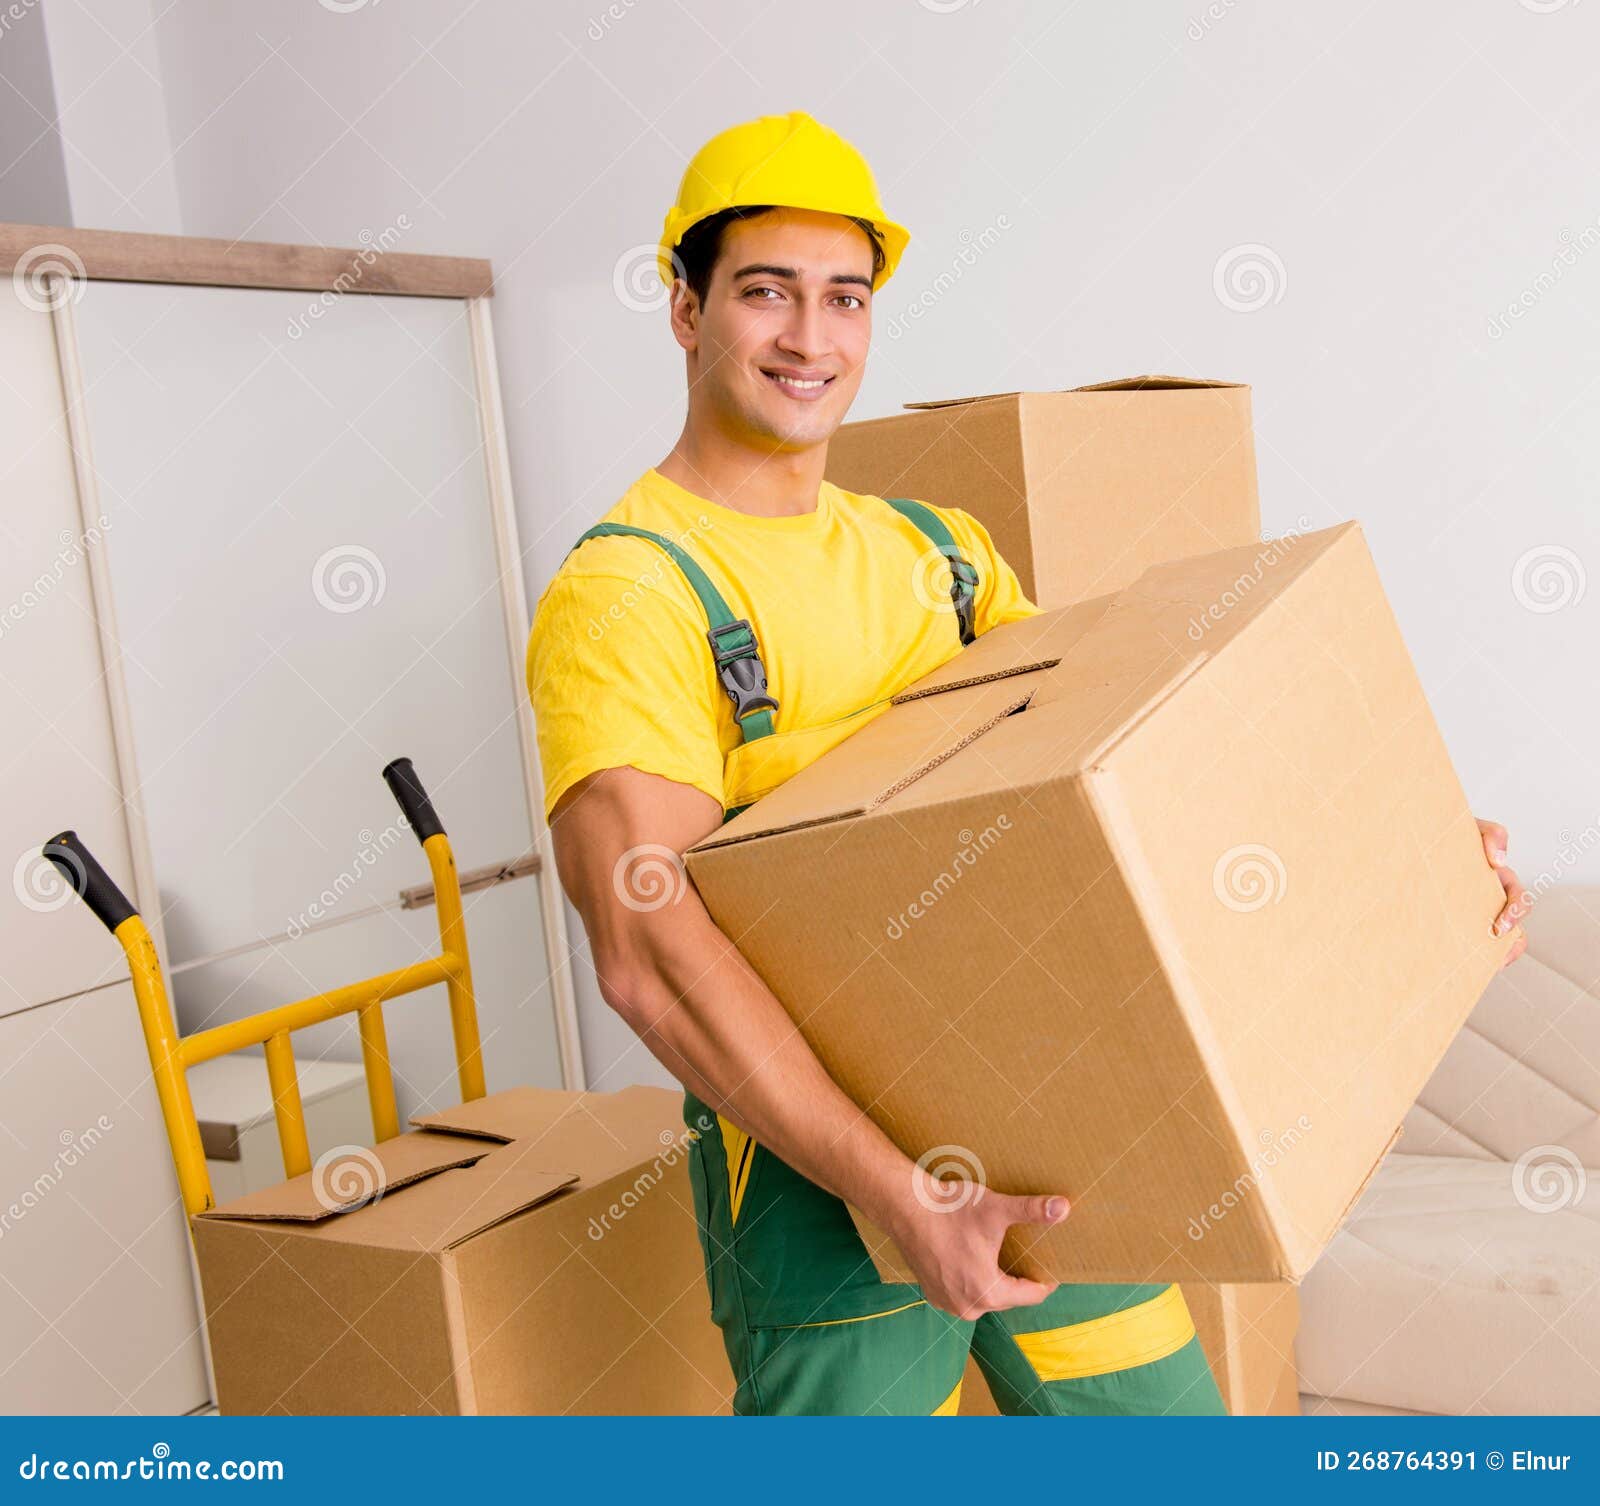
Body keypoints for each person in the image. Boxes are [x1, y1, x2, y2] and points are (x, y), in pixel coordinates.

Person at [525, 110, 1530, 1416]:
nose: (809, 338)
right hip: (820, 1192)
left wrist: (1409, 872)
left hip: (1054, 1125)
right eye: (764, 293)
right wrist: (896, 1187)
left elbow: (1124, 804)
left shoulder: (939, 554)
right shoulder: (633, 593)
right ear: (684, 308)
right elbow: (649, 951)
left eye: (844, 297)